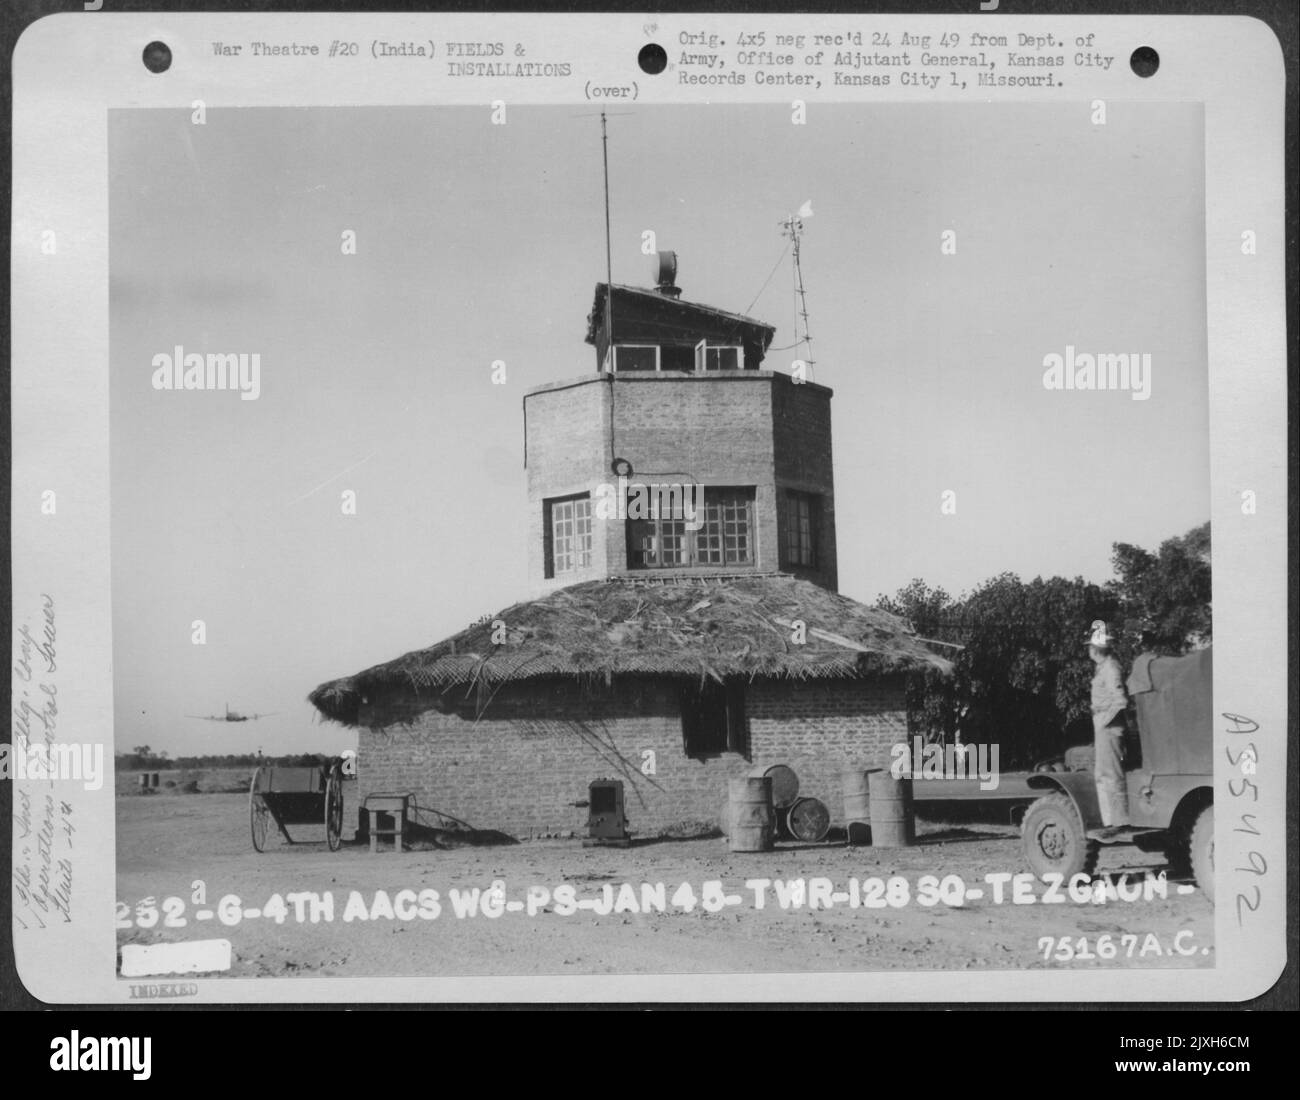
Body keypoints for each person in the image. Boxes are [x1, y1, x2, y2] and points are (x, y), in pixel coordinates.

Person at [1086, 620, 1130, 834]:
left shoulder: (1110, 668)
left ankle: (1119, 821)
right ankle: (1110, 821)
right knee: (1102, 773)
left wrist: (1104, 722)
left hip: (1108, 725)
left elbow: (1120, 701)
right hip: (1103, 723)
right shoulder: (1103, 668)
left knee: (1111, 773)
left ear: (1096, 649)